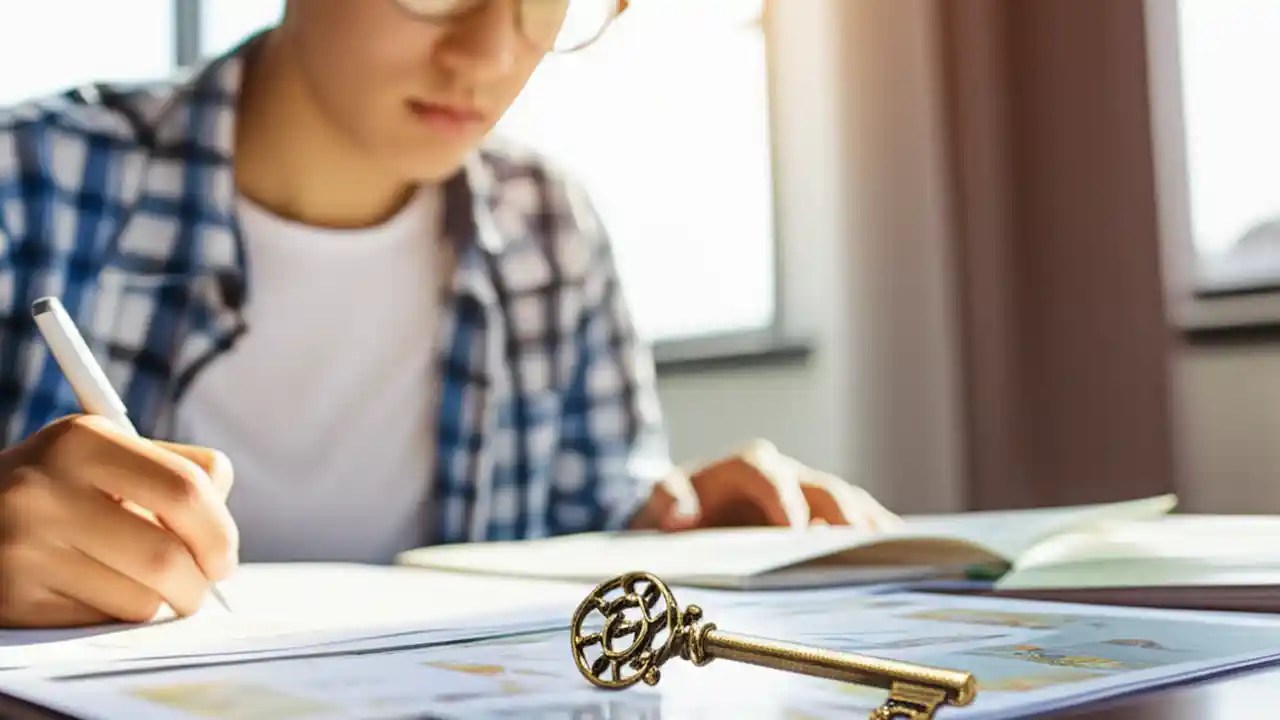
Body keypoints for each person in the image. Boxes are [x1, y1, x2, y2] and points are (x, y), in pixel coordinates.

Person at [0, 0, 895, 628]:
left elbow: (589, 525)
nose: (489, 55)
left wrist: (687, 532)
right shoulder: (31, 184)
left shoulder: (549, 229)